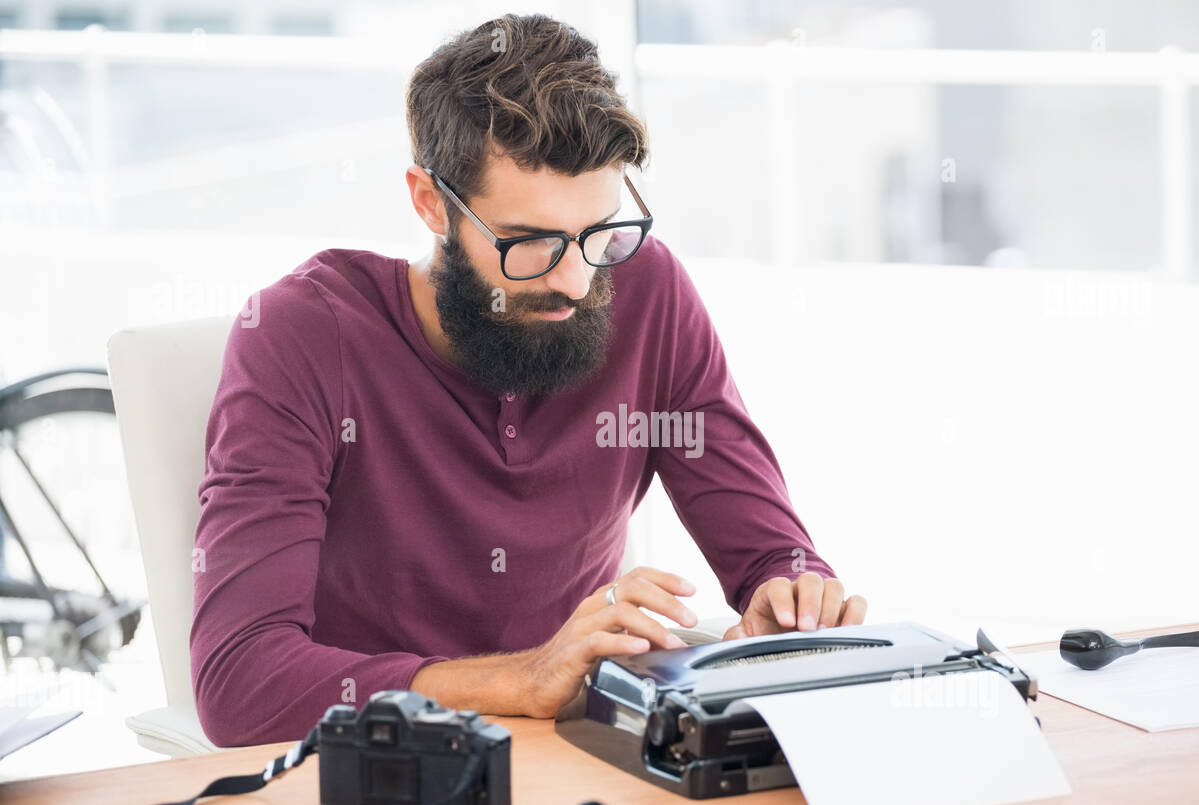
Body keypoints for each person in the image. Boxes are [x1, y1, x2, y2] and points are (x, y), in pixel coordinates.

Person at [190, 13, 866, 747]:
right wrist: (519, 682)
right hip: (383, 766)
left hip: (583, 752)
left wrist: (788, 597)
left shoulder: (648, 293)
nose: (576, 281)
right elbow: (239, 680)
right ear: (430, 203)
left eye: (598, 231)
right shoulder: (302, 334)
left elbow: (770, 552)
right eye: (530, 243)